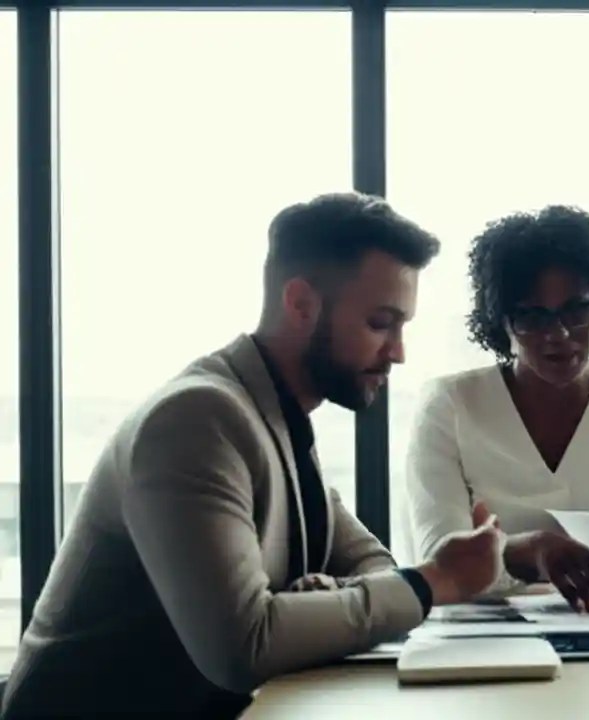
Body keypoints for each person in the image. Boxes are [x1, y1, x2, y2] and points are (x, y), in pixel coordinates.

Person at [3, 193, 504, 718]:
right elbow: (244, 647)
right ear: (301, 304)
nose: (398, 351)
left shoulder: (278, 419)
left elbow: (370, 563)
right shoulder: (197, 421)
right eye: (381, 323)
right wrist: (434, 581)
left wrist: (335, 597)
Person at [406, 205, 589, 612]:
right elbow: (437, 564)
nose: (559, 334)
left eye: (577, 309)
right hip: (481, 636)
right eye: (532, 316)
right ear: (502, 322)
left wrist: (502, 554)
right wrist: (532, 550)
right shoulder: (449, 405)